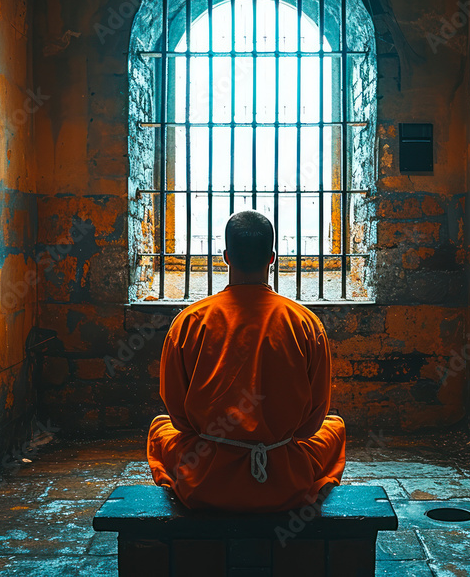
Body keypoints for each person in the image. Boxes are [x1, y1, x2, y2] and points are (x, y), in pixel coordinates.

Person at [147, 210, 346, 512]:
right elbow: (310, 425)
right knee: (335, 428)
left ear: (226, 256)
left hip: (206, 480)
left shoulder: (188, 322)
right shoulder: (305, 323)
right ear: (272, 258)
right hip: (284, 483)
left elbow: (179, 419)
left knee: (160, 429)